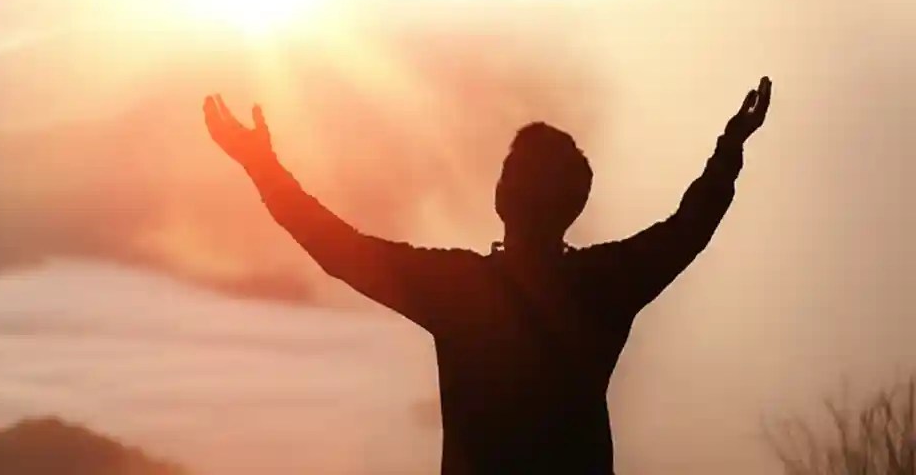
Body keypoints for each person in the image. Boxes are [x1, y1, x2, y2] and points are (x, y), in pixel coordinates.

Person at [203, 76, 772, 474]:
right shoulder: (604, 284)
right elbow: (688, 227)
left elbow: (337, 248)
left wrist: (262, 168)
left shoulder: (459, 290)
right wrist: (728, 150)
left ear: (501, 196)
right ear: (575, 203)